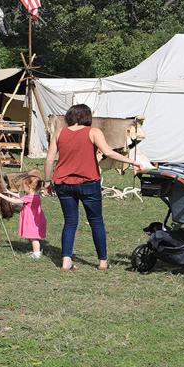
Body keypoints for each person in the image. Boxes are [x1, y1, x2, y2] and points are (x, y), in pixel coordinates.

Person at [44, 103, 145, 271]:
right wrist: (133, 161)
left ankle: (66, 260)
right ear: (87, 117)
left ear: (70, 117)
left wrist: (47, 182)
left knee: (70, 222)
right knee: (96, 221)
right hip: (88, 183)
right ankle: (103, 261)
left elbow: (49, 160)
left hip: (63, 183)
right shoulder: (93, 132)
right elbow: (109, 152)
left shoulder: (59, 132)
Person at [0, 173, 47, 258]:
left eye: (24, 187)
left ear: (29, 187)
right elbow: (20, 196)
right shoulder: (34, 195)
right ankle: (35, 252)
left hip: (32, 220)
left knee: (34, 237)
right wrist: (8, 192)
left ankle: (37, 254)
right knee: (32, 236)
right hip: (35, 219)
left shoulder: (30, 197)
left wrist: (2, 196)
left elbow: (16, 201)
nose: (23, 188)